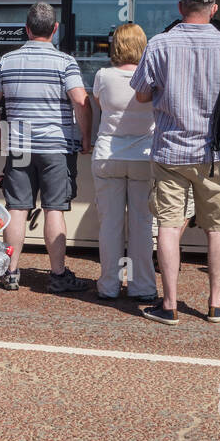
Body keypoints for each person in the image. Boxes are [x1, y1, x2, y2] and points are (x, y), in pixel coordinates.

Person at [131, 0, 220, 324]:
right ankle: (215, 303)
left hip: (170, 149)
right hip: (216, 153)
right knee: (217, 228)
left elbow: (141, 94)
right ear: (214, 9)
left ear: (181, 7)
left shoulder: (160, 43)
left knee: (169, 227)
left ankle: (169, 304)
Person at [0, 1, 92, 294]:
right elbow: (81, 102)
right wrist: (85, 137)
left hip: (19, 145)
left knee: (16, 208)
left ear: (27, 29)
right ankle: (57, 275)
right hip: (56, 146)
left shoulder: (7, 60)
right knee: (54, 209)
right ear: (55, 29)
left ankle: (11, 272)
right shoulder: (65, 62)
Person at [91, 23, 157, 302]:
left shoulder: (103, 75)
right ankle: (143, 286)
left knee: (110, 225)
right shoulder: (152, 78)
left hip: (108, 155)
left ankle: (109, 285)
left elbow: (99, 105)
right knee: (143, 225)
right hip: (144, 156)